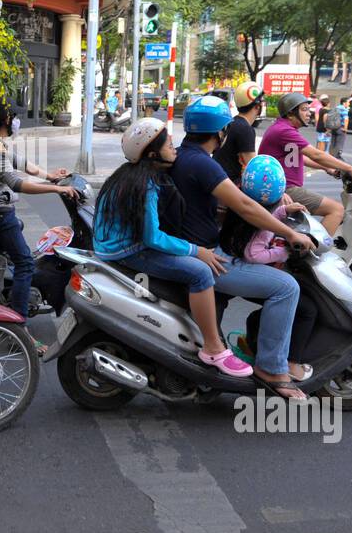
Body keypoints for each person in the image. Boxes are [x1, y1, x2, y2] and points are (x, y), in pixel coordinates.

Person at [169, 97, 316, 398]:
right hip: (206, 254)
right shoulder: (202, 163)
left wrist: (279, 204)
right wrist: (290, 234)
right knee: (286, 287)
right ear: (220, 132)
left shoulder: (185, 157)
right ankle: (272, 368)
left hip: (196, 247)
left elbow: (228, 196)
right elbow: (246, 206)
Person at [94, 117, 252, 376]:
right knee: (200, 272)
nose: (175, 148)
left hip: (112, 245)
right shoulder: (146, 184)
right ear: (154, 153)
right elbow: (152, 238)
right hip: (128, 250)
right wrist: (196, 250)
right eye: (169, 144)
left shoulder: (131, 175)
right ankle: (213, 347)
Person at [217, 155, 318, 396]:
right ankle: (271, 367)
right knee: (288, 288)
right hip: (229, 263)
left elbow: (265, 221)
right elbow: (253, 253)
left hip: (227, 254)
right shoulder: (256, 217)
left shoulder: (246, 201)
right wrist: (283, 251)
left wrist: (283, 211)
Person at [0, 99, 78, 318]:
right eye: (14, 118)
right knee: (26, 264)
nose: (17, 122)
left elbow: (22, 162)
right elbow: (16, 183)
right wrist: (55, 190)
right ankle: (19, 323)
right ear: (7, 119)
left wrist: (51, 176)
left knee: (18, 252)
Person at [258, 93, 352, 238]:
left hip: (284, 187)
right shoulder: (284, 131)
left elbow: (300, 158)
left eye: (308, 109)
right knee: (336, 210)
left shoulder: (284, 128)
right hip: (286, 190)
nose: (309, 113)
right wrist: (351, 168)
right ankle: (316, 252)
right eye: (304, 109)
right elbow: (316, 154)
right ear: (291, 114)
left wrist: (327, 168)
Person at [213, 81, 264, 183]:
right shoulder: (245, 129)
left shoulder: (231, 122)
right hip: (230, 184)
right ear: (257, 106)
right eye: (262, 101)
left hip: (219, 180)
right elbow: (253, 168)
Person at [329, 95, 351, 160]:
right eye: (348, 102)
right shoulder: (344, 109)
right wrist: (345, 129)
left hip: (333, 127)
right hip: (340, 128)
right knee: (339, 143)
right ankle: (336, 158)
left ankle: (331, 156)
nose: (349, 104)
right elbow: (346, 119)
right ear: (344, 103)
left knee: (333, 142)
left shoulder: (336, 108)